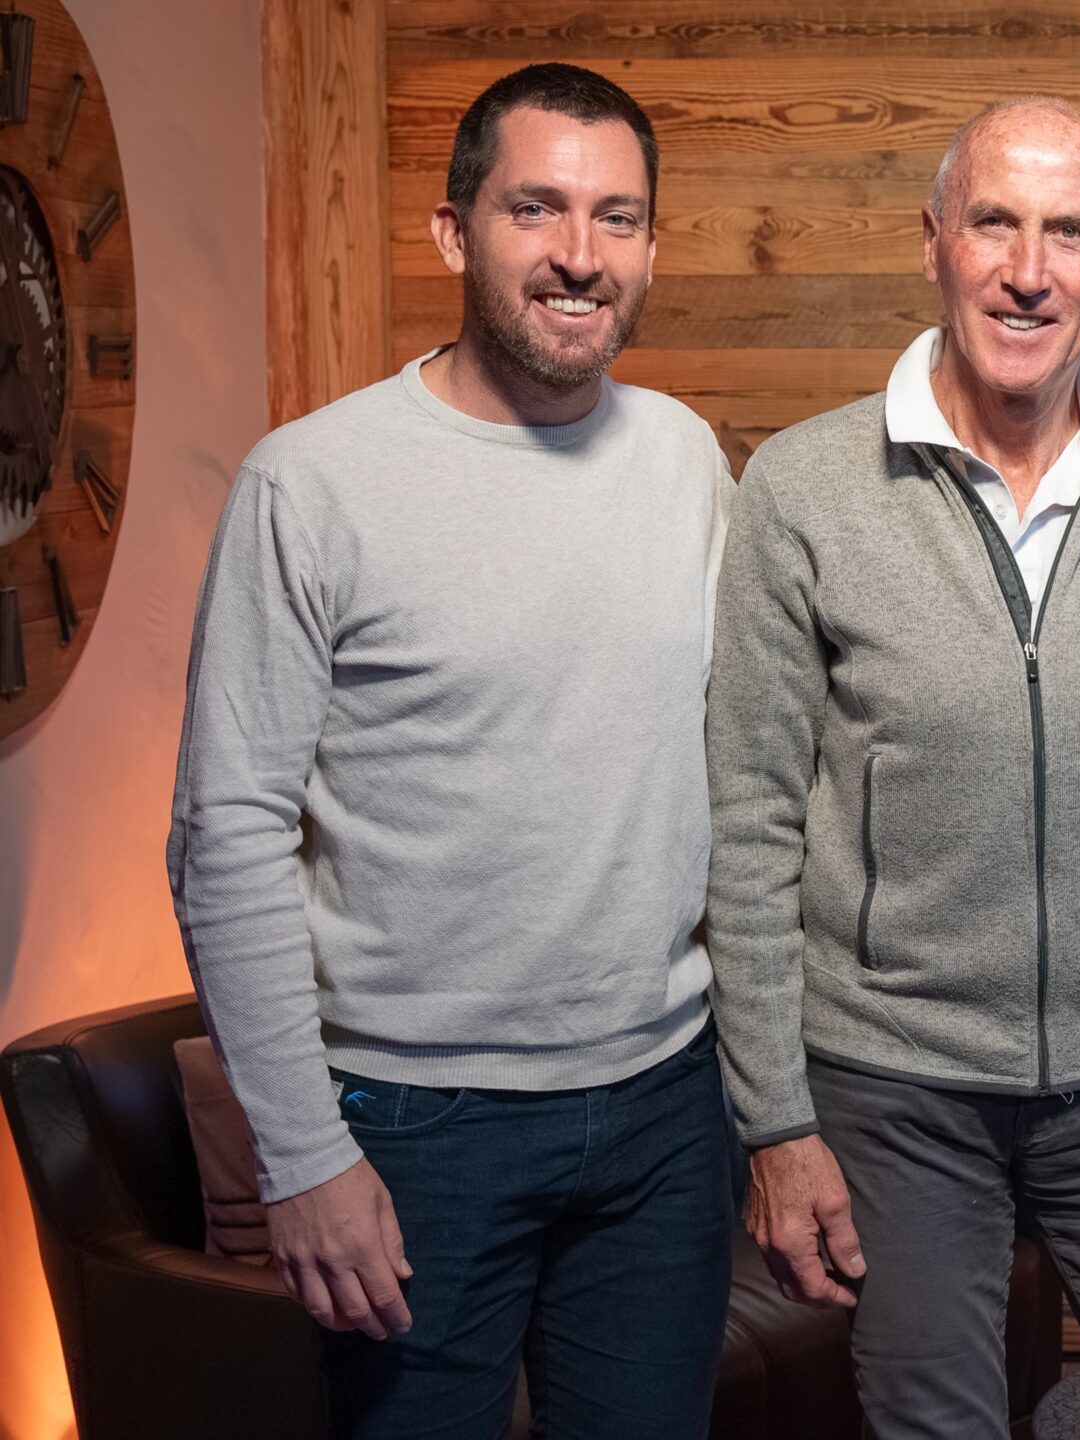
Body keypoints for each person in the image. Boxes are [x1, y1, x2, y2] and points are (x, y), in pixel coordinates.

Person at [705, 97, 1080, 1440]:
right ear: (937, 242)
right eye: (996, 223)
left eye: (1071, 233)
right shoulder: (801, 492)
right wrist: (777, 1124)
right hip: (893, 1089)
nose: (1030, 271)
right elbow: (746, 824)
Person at [168, 63, 736, 1440]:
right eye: (535, 209)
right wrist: (303, 1153)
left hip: (667, 1111)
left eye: (617, 217)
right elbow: (224, 834)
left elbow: (745, 775)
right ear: (452, 232)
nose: (578, 256)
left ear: (654, 246)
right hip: (416, 1127)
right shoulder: (314, 483)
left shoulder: (687, 459)